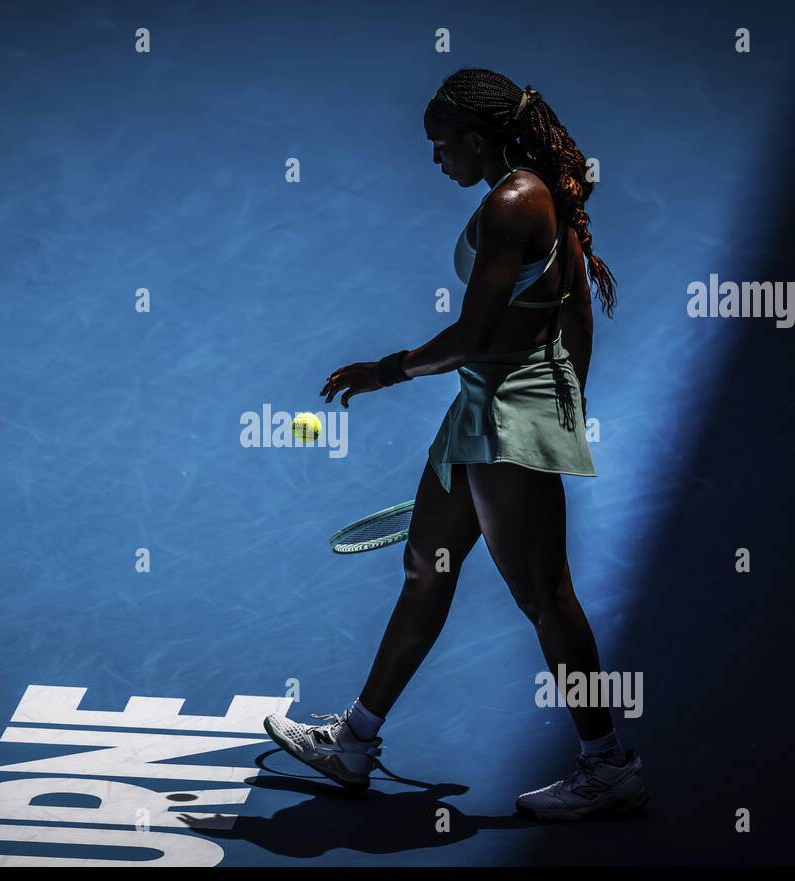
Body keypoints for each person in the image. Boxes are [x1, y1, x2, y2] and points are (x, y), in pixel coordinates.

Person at [263, 68, 646, 821]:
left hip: (506, 416)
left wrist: (387, 371)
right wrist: (561, 393)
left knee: (545, 596)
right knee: (425, 569)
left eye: (442, 145)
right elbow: (571, 315)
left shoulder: (514, 202)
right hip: (485, 404)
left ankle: (608, 766)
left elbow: (473, 332)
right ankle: (354, 741)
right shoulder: (532, 193)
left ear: (477, 138)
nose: (436, 159)